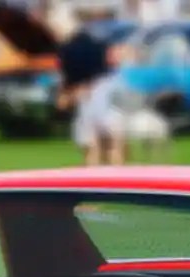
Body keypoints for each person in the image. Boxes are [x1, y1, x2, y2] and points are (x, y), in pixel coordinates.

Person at [58, 2, 129, 166]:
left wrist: (67, 93)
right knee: (112, 140)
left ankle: (97, 171)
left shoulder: (70, 48)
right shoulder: (97, 42)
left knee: (93, 143)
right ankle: (117, 171)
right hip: (104, 90)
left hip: (90, 94)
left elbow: (72, 74)